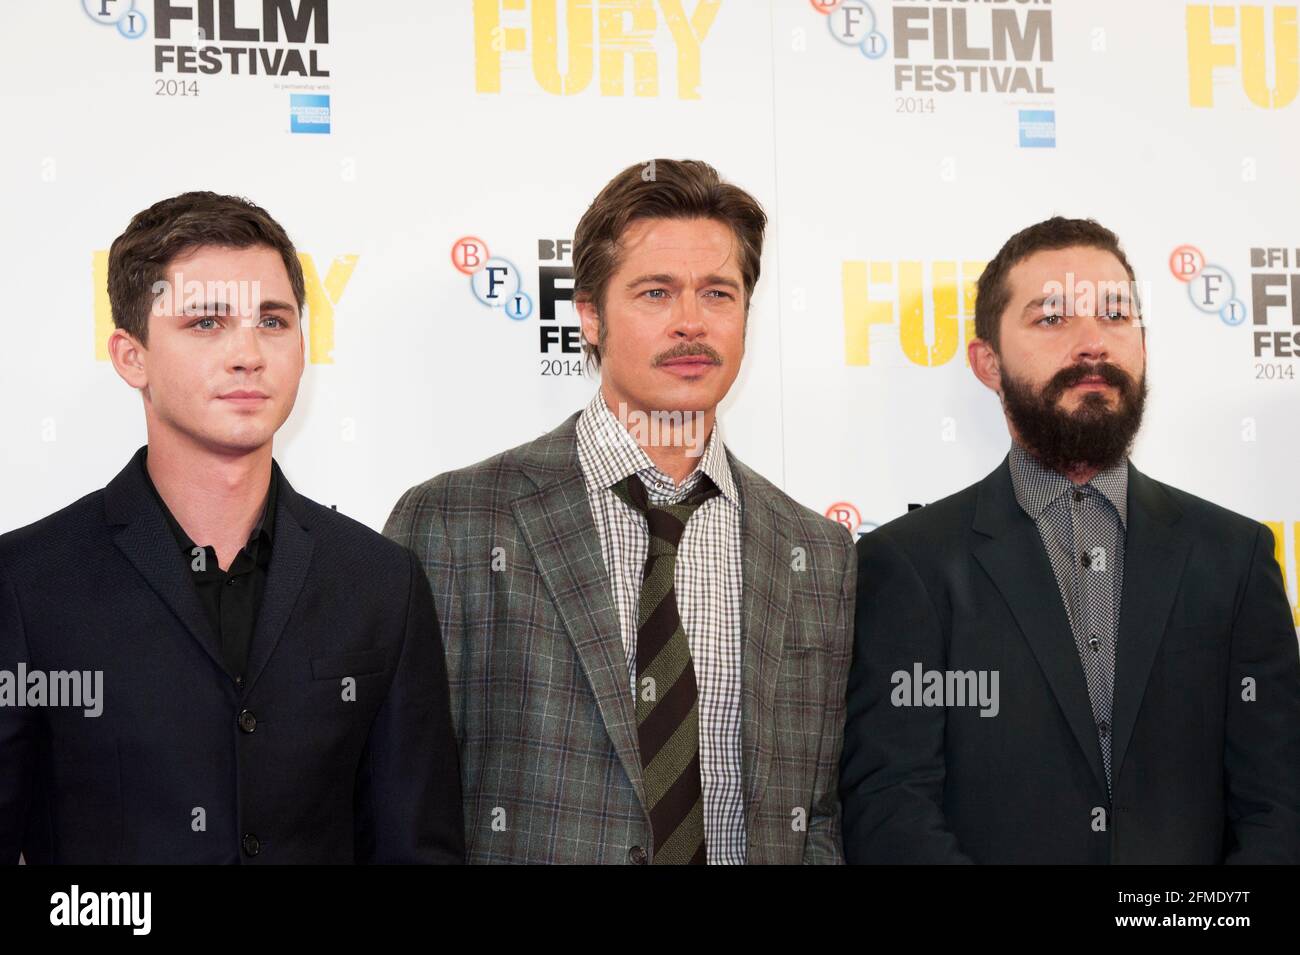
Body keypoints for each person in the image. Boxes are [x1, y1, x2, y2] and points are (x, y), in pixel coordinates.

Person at [387, 159, 854, 864]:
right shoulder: (455, 523)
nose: (691, 322)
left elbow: (818, 812)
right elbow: (403, 798)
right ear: (590, 316)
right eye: (656, 292)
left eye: (718, 293)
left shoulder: (817, 551)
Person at [0, 191, 463, 863]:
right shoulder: (28, 584)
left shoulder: (379, 583)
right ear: (132, 357)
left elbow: (416, 848)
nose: (248, 353)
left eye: (273, 321)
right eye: (206, 323)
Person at [841, 216, 1300, 863]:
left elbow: (1278, 806)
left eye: (1115, 315)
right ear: (987, 363)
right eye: (1052, 319)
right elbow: (892, 804)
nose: (1093, 344)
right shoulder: (911, 566)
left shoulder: (1235, 557)